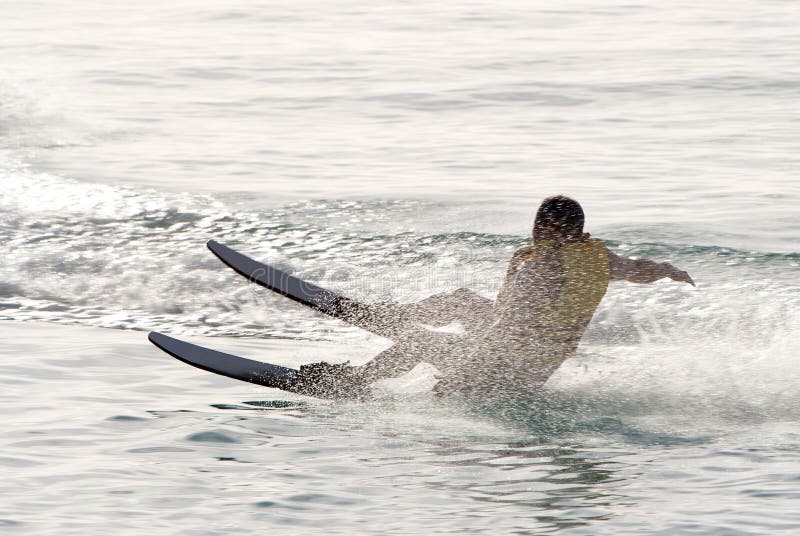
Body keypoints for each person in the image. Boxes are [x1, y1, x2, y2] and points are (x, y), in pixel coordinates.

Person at [290, 195, 694, 400]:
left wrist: (461, 374)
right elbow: (640, 269)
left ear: (547, 226)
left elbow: (505, 330)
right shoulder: (598, 258)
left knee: (419, 342)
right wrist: (669, 271)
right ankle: (387, 316)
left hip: (507, 370)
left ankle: (351, 384)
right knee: (465, 301)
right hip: (540, 360)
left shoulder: (541, 268)